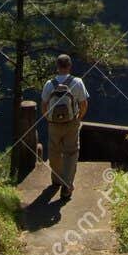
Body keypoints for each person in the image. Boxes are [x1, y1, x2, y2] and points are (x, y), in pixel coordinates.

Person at [39, 54, 89, 200]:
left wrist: (49, 118)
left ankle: (56, 179)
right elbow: (84, 104)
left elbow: (44, 104)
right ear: (69, 66)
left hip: (53, 123)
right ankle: (67, 186)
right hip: (71, 123)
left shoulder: (49, 84)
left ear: (57, 66)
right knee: (71, 152)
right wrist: (78, 117)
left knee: (54, 151)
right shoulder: (77, 82)